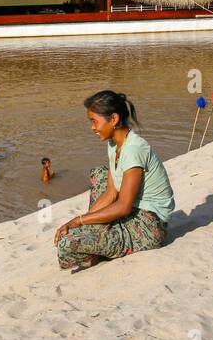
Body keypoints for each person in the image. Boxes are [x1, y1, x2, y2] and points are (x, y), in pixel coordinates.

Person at [55, 91, 175, 271]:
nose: (92, 128)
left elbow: (123, 206)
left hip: (149, 224)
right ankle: (98, 242)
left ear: (114, 119)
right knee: (99, 174)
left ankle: (97, 250)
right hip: (132, 210)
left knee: (66, 244)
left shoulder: (134, 149)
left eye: (94, 121)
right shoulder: (114, 144)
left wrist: (79, 221)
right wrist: (84, 221)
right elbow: (111, 192)